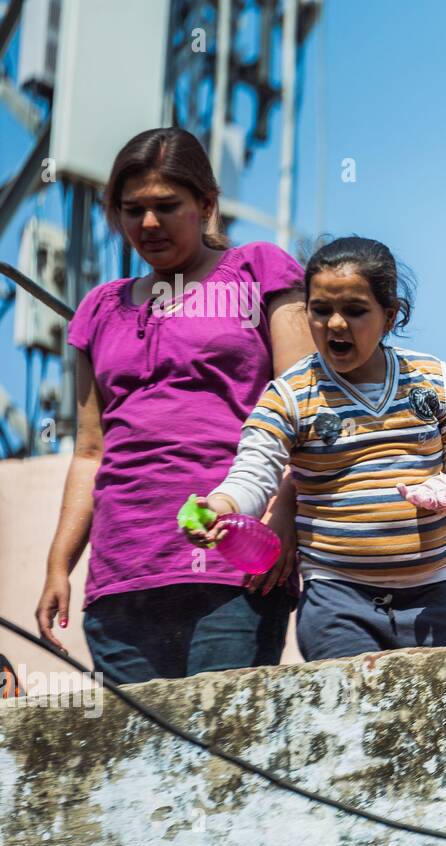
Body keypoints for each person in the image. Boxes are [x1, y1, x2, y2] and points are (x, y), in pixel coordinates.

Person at [36, 127, 313, 684]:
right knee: (135, 764)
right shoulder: (98, 310)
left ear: (207, 204)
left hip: (235, 564)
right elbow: (91, 452)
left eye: (167, 206)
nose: (149, 224)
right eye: (132, 209)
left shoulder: (260, 271)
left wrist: (285, 513)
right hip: (121, 576)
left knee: (223, 755)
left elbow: (307, 406)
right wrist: (59, 564)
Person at [188, 237, 446, 659]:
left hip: (435, 600)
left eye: (354, 310)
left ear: (389, 317)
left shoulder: (435, 382)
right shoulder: (290, 395)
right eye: (320, 310)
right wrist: (221, 507)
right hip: (336, 602)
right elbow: (253, 474)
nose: (335, 324)